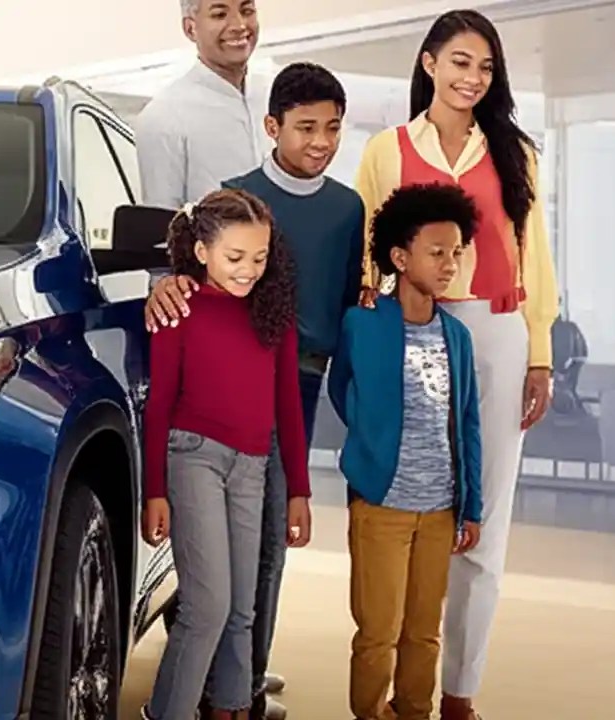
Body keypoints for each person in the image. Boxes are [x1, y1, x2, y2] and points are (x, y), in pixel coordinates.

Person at [351, 9, 559, 719]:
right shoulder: (385, 150)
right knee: (408, 498)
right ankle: (394, 686)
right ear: (430, 63)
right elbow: (368, 259)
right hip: (412, 331)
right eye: (461, 62)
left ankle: (459, 692)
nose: (473, 78)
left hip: (497, 333)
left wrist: (539, 354)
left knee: (484, 515)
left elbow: (535, 254)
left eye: (486, 67)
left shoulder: (515, 153)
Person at [144, 61, 360, 718]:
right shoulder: (231, 208)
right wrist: (163, 284)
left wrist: (303, 485)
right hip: (204, 429)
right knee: (217, 591)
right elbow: (164, 398)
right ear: (273, 127)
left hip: (285, 403)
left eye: (332, 128)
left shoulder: (345, 212)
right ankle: (193, 695)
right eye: (305, 127)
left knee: (258, 571)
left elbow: (345, 306)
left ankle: (239, 695)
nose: (320, 140)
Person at [140, 189, 311, 720]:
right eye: (235, 257)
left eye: (259, 258)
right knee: (207, 606)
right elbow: (159, 404)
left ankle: (231, 708)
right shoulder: (179, 309)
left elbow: (288, 404)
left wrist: (299, 490)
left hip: (252, 467)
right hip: (194, 460)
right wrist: (154, 491)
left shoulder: (273, 314)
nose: (248, 270)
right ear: (202, 252)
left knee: (241, 607)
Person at [327, 182, 484, 720]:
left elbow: (468, 423)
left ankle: (415, 711)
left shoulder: (458, 337)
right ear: (400, 257)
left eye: (456, 252)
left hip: (440, 509)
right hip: (381, 505)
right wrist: (373, 445)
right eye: (436, 252)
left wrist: (471, 506)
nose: (449, 264)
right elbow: (341, 389)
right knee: (378, 631)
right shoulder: (362, 322)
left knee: (424, 631)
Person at [134, 0, 269, 209]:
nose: (239, 25)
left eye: (247, 11)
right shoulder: (164, 116)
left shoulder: (277, 93)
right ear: (190, 28)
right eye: (220, 15)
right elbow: (164, 219)